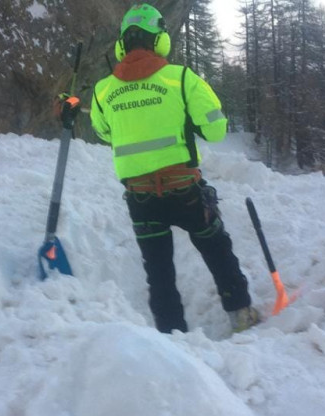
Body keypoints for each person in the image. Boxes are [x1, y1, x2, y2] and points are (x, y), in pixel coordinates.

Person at [85, 3, 260, 334]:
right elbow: (216, 130)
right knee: (217, 249)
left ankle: (172, 339)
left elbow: (104, 132)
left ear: (122, 45)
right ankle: (241, 313)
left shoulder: (102, 90)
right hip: (185, 192)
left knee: (159, 271)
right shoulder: (181, 78)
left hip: (140, 198)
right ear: (159, 40)